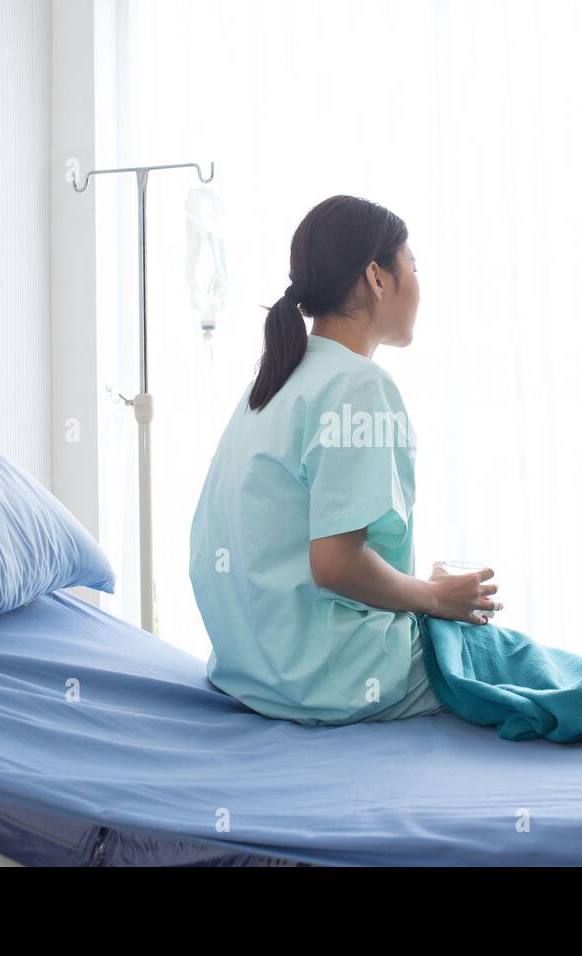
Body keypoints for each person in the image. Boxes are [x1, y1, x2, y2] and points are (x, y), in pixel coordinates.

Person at [188, 195, 501, 725]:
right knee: (535, 672)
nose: (419, 284)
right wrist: (432, 598)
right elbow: (333, 565)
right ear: (378, 279)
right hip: (330, 678)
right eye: (414, 267)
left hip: (253, 673)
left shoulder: (274, 382)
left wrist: (421, 589)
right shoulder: (358, 384)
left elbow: (295, 550)